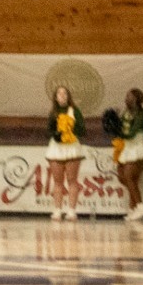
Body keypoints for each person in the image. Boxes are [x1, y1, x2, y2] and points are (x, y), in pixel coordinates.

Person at [46, 86, 85, 221]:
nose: (62, 96)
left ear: (68, 96)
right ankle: (57, 209)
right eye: (59, 94)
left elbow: (82, 130)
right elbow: (48, 131)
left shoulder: (74, 111)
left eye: (64, 93)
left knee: (72, 180)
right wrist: (56, 133)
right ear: (55, 98)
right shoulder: (53, 112)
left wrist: (71, 127)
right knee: (57, 181)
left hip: (72, 148)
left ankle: (72, 210)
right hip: (56, 148)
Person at [113, 88, 143, 222]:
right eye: (126, 96)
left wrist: (119, 132)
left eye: (130, 96)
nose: (126, 98)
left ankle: (140, 207)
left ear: (137, 99)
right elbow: (121, 127)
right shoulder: (126, 112)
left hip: (137, 146)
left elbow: (132, 132)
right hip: (126, 146)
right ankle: (134, 207)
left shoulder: (142, 115)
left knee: (130, 177)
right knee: (124, 177)